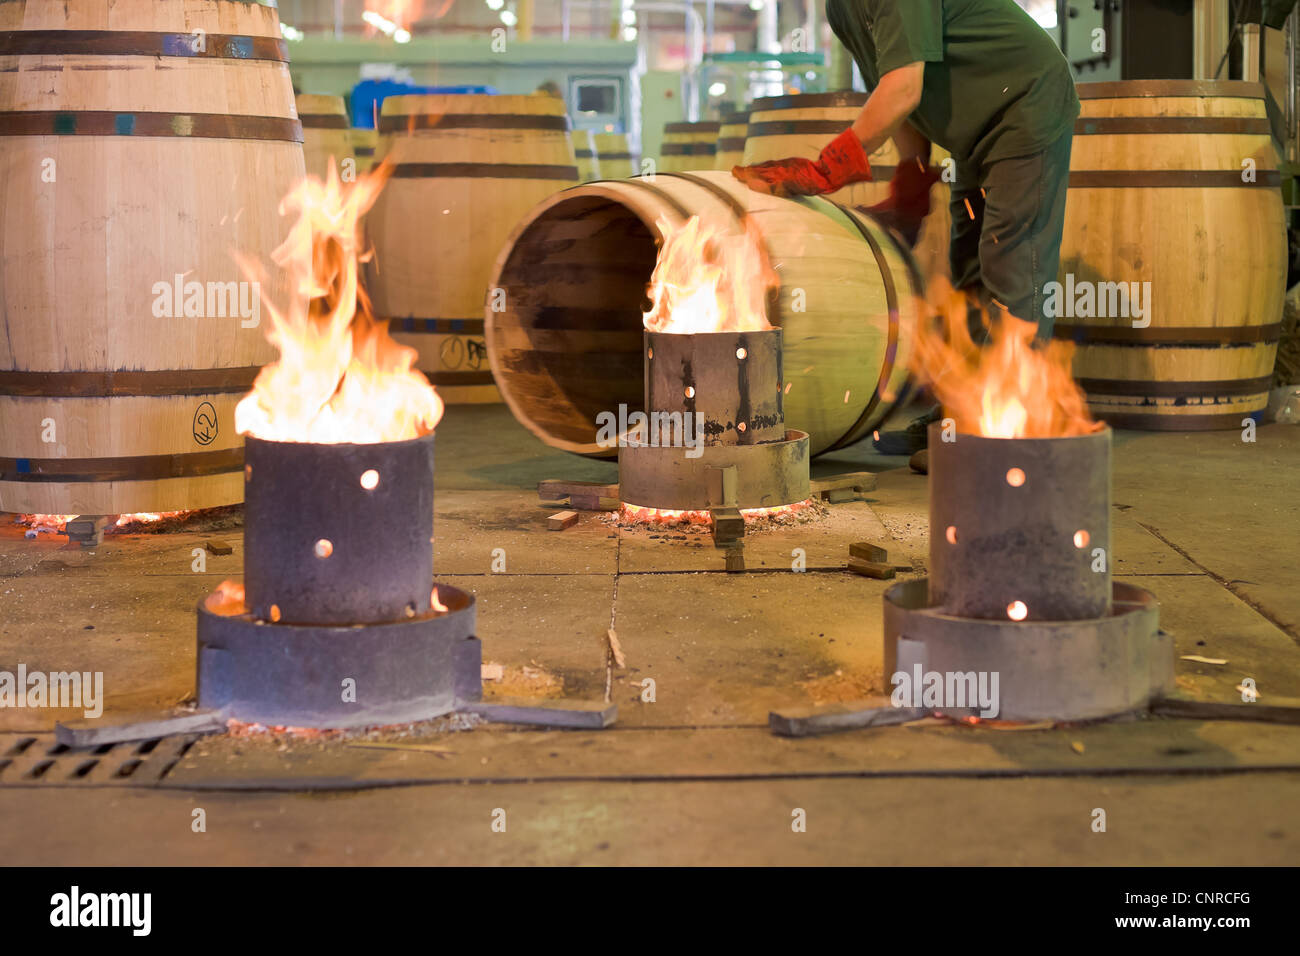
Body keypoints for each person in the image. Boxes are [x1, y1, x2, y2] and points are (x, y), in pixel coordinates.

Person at [733, 0, 1079, 457]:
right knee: (970, 270)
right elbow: (890, 84)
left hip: (1026, 103)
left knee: (1013, 269)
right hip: (977, 129)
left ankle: (1009, 431)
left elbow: (903, 90)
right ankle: (964, 413)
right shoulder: (841, 9)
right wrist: (912, 175)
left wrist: (827, 168)